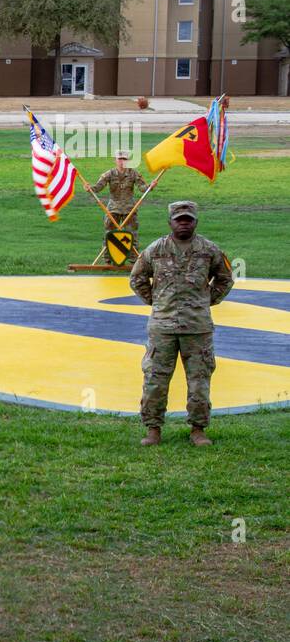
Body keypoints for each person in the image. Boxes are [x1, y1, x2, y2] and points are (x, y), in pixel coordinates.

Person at [129, 200, 233, 447]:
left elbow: (225, 278)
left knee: (199, 381)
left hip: (197, 328)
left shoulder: (209, 250)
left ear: (196, 222)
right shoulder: (156, 249)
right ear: (170, 222)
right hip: (162, 328)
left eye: (188, 219)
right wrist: (156, 302)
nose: (184, 223)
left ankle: (198, 430)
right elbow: (137, 278)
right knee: (155, 379)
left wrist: (206, 301)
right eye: (179, 219)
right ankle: (153, 429)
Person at [86, 149, 150, 255]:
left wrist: (150, 186)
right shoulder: (109, 174)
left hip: (129, 209)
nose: (122, 161)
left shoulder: (134, 173)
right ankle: (107, 258)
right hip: (113, 208)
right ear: (115, 160)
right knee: (109, 234)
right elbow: (98, 187)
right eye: (119, 159)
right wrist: (90, 188)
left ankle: (134, 260)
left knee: (131, 235)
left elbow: (142, 188)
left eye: (124, 159)